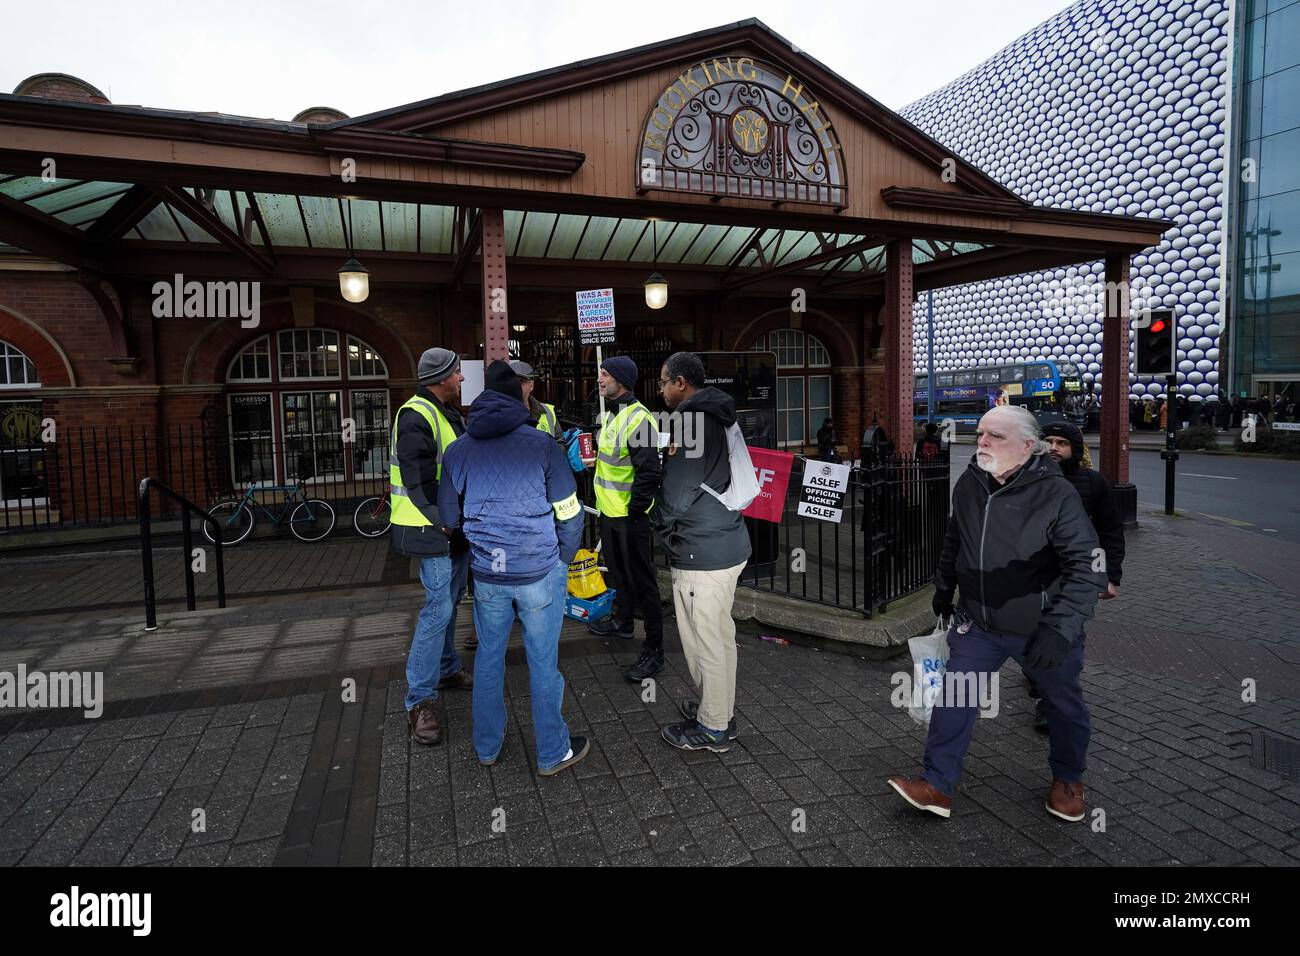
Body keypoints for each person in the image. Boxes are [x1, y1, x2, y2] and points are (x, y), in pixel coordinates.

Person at [888, 404, 1102, 822]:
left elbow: (1087, 564)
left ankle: (1068, 779)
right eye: (981, 433)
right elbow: (956, 536)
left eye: (995, 436)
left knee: (1062, 705)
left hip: (1041, 627)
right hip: (979, 623)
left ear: (1028, 445)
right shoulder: (971, 481)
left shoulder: (1056, 493)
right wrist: (944, 585)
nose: (982, 442)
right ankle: (937, 784)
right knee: (954, 698)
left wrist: (1060, 629)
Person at [437, 361, 589, 776]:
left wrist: (481, 542)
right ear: (517, 398)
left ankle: (487, 747)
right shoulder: (542, 446)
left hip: (488, 576)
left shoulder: (458, 449)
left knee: (488, 659)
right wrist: (561, 558)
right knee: (543, 662)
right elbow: (571, 514)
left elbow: (448, 517)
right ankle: (551, 753)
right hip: (539, 571)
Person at [653, 352, 752, 753]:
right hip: (726, 542)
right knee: (721, 637)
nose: (660, 390)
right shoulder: (720, 414)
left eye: (662, 382)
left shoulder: (690, 421)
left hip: (701, 551)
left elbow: (676, 494)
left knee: (703, 641)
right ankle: (719, 709)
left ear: (680, 382)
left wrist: (660, 526)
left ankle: (713, 728)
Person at [389, 347, 473, 746]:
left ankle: (446, 667)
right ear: (441, 378)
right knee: (437, 609)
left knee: (449, 603)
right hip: (431, 529)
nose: (461, 379)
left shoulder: (443, 411)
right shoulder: (416, 415)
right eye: (457, 373)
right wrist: (440, 520)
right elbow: (416, 479)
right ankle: (419, 701)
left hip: (448, 527)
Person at [1027, 422, 1125, 732]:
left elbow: (1111, 532)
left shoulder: (1094, 484)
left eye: (1062, 443)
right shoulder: (1024, 478)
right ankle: (1038, 678)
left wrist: (1110, 576)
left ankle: (1049, 703)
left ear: (1075, 449)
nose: (1053, 447)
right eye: (1048, 441)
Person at [585, 356, 665, 683]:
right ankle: (623, 621)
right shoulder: (615, 415)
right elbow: (614, 462)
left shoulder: (639, 419)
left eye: (606, 374)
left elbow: (649, 474)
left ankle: (655, 650)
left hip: (630, 519)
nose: (600, 378)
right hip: (611, 512)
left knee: (644, 583)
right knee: (618, 574)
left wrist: (634, 516)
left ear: (621, 380)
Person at [509, 360, 559, 437]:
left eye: (521, 381)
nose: (516, 385)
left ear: (531, 385)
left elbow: (561, 444)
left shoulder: (548, 411)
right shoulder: (499, 412)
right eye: (512, 381)